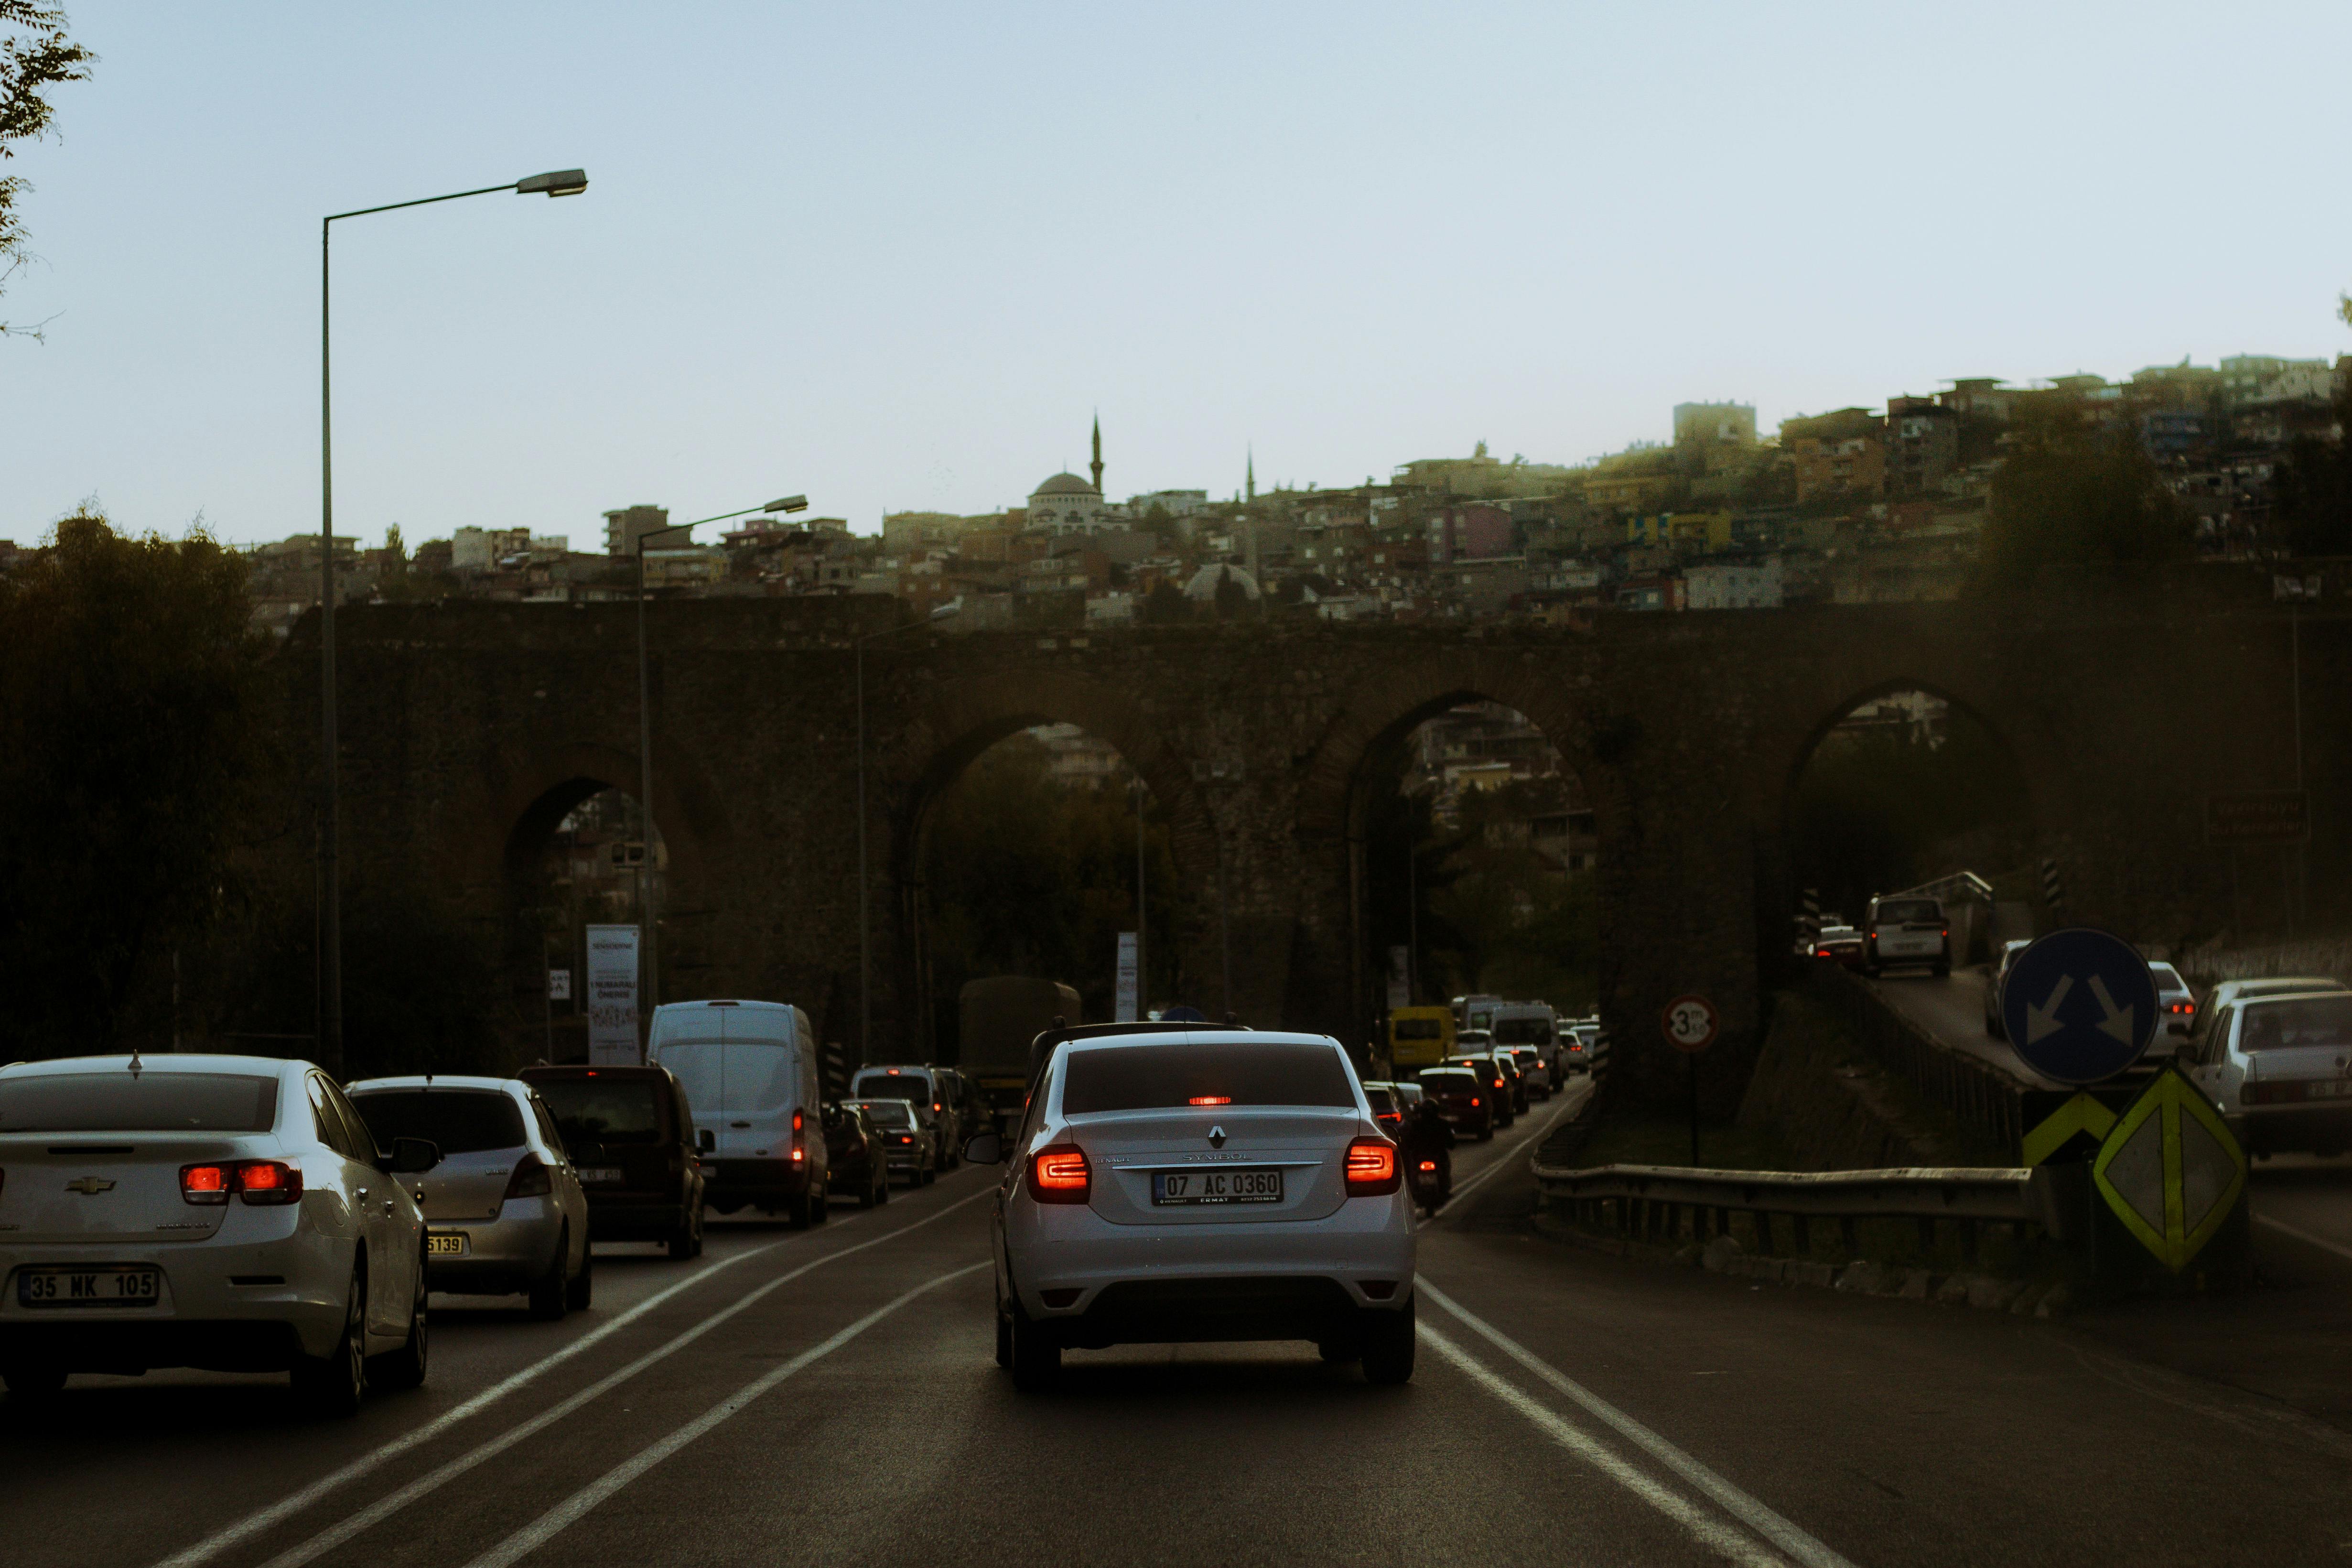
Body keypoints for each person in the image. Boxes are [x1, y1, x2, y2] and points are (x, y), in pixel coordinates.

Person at [1398, 1092, 1455, 1209]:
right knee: (1413, 1170)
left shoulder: (1418, 1124)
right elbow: (1409, 1141)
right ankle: (1439, 1190)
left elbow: (1408, 1142)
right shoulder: (1440, 1124)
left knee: (1443, 1167)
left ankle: (1442, 1189)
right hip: (1427, 1157)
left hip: (1431, 1157)